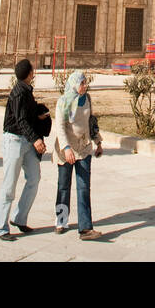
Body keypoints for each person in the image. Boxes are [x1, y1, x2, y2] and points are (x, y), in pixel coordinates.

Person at [0, 59, 50, 241]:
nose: (34, 72)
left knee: (34, 178)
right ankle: (1, 228)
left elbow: (28, 115)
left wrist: (39, 114)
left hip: (27, 141)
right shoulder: (18, 92)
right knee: (9, 184)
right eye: (32, 70)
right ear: (28, 74)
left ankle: (19, 217)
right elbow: (20, 120)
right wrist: (35, 140)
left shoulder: (27, 91)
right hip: (14, 141)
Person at [50, 70, 104, 240]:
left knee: (83, 188)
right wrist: (66, 148)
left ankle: (86, 228)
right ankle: (61, 220)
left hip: (84, 148)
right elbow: (59, 127)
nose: (85, 85)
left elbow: (91, 122)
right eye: (82, 83)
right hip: (66, 150)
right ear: (74, 84)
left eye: (85, 82)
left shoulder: (87, 99)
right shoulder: (63, 102)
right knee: (63, 187)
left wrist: (98, 142)